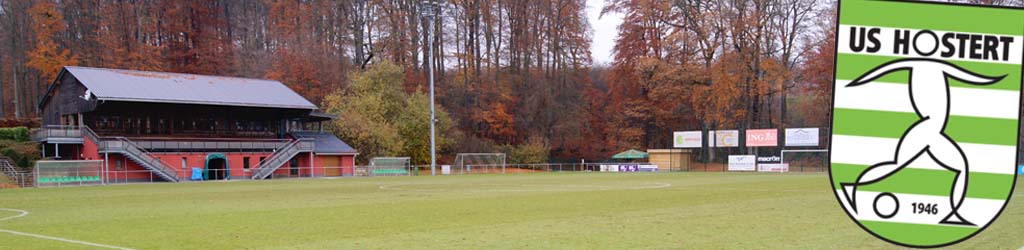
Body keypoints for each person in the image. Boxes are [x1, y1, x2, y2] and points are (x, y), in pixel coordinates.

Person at [839, 58, 1004, 226]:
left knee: (959, 166)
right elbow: (886, 68)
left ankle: (954, 213)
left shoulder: (932, 65)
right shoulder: (926, 64)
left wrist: (991, 79)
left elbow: (968, 75)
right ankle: (852, 186)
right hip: (928, 127)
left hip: (932, 128)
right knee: (901, 164)